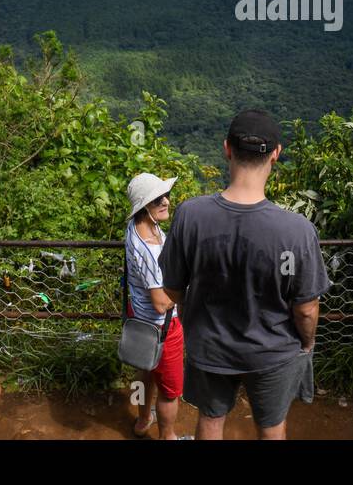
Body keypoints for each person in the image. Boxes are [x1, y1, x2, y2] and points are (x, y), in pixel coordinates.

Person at [159, 109, 330, 440]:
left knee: (211, 420)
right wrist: (307, 343)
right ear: (276, 155)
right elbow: (306, 308)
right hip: (274, 351)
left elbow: (173, 290)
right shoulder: (296, 231)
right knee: (271, 427)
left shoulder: (191, 216)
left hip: (210, 347)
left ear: (227, 149)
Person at [123, 172, 187, 440]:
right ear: (143, 206)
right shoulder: (148, 248)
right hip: (162, 326)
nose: (166, 201)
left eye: (166, 196)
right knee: (170, 391)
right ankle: (168, 437)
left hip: (138, 317)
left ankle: (141, 420)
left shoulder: (137, 228)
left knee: (144, 369)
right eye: (157, 199)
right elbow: (161, 303)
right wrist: (190, 290)